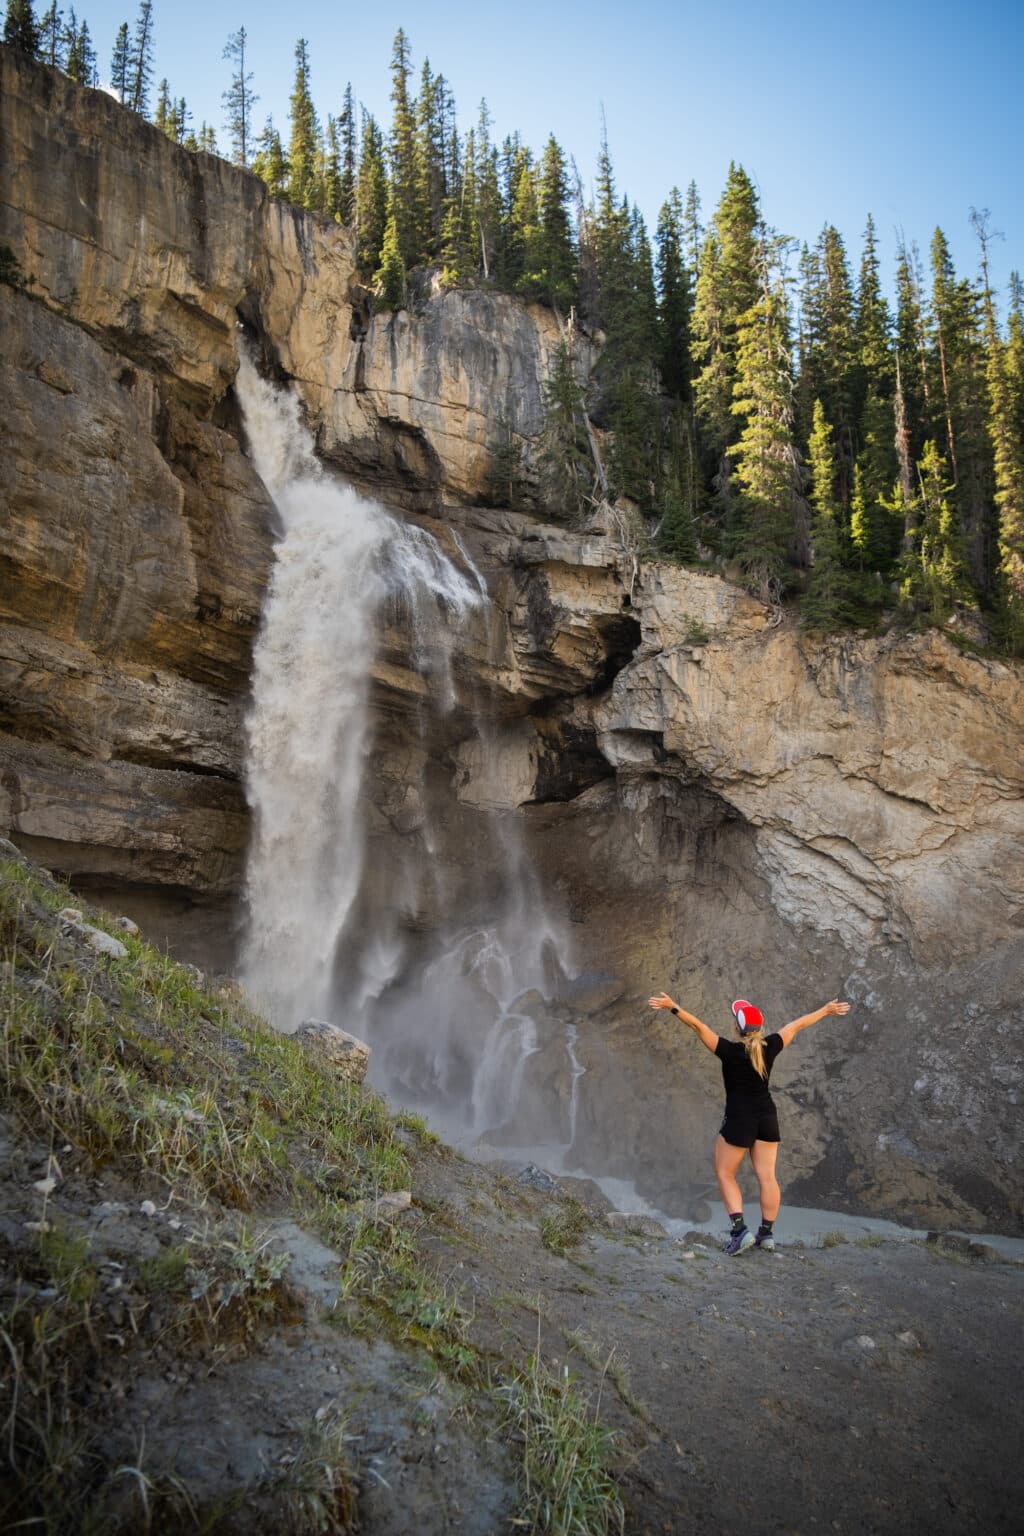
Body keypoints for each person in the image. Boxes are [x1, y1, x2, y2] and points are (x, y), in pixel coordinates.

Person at [647, 990, 852, 1253]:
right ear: (760, 1027)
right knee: (767, 1177)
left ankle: (740, 1231)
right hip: (767, 1117)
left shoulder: (728, 1051)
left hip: (739, 1118)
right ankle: (766, 1234)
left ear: (737, 1027)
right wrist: (826, 1010)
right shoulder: (771, 1046)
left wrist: (673, 1007)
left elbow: (698, 1026)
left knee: (725, 1173)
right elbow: (797, 1025)